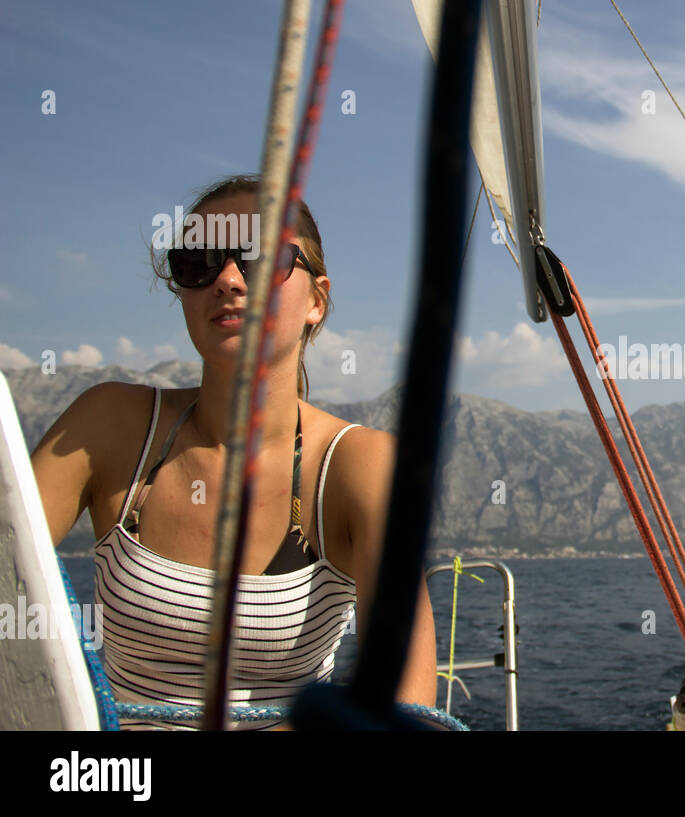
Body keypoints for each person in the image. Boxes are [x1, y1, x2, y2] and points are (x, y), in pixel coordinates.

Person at [31, 175, 438, 729]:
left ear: (316, 300)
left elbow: (405, 702)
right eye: (199, 262)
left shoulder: (358, 466)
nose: (227, 279)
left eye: (259, 257)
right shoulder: (109, 426)